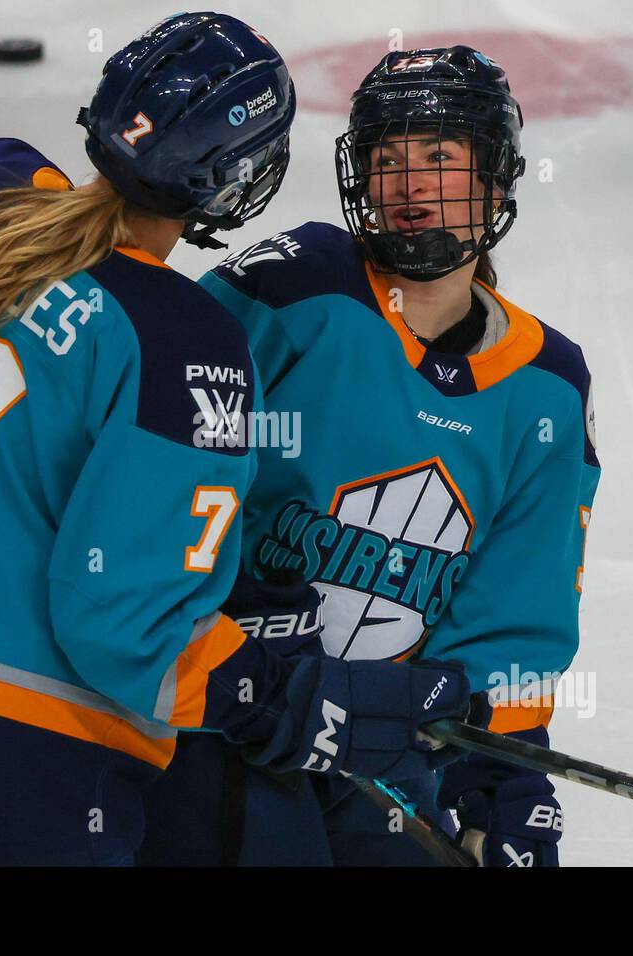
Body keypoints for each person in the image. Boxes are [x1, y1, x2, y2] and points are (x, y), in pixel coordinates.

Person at [0, 11, 475, 867]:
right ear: (236, 180)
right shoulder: (182, 341)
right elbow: (128, 629)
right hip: (10, 771)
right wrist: (291, 695)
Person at [140, 45, 600, 867]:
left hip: (387, 748)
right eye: (387, 159)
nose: (410, 183)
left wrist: (507, 785)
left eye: (439, 157)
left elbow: (515, 616)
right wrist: (249, 635)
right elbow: (153, 471)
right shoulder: (293, 291)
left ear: (496, 178)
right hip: (221, 722)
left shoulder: (548, 388)